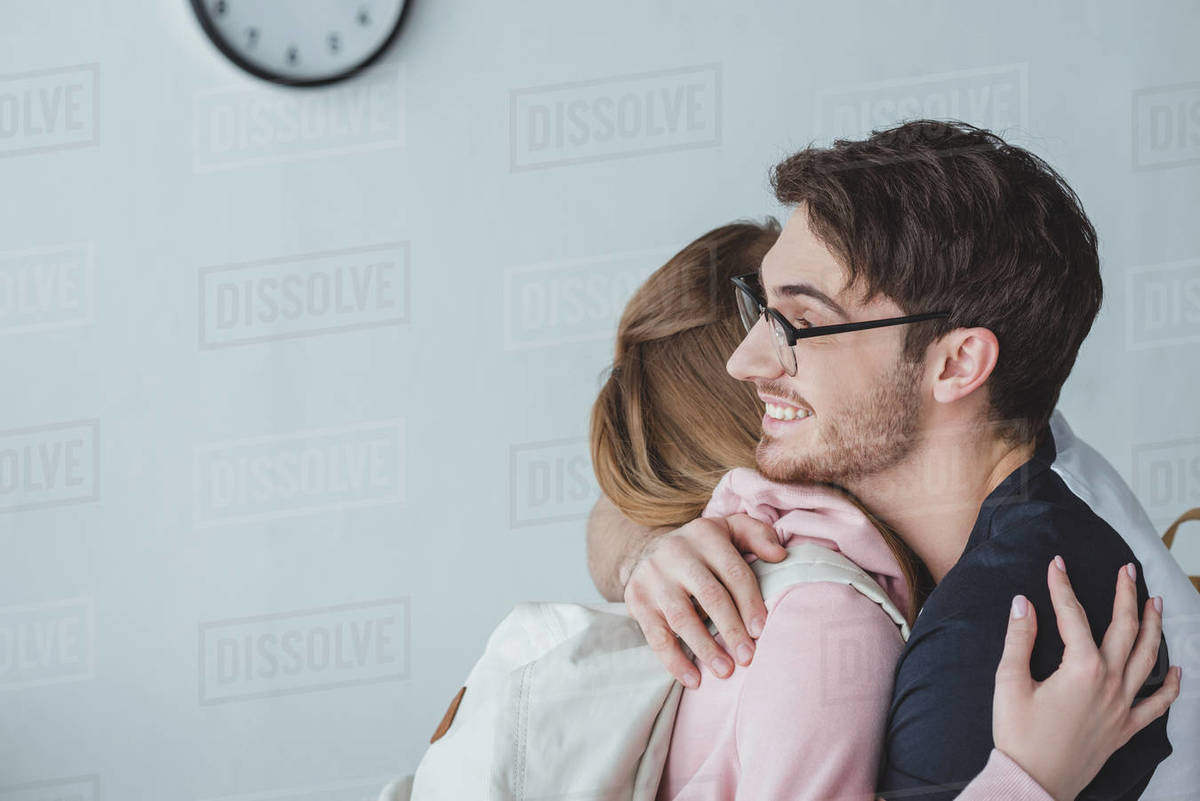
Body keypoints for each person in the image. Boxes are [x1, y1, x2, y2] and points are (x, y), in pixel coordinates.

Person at [586, 180, 1181, 798]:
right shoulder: (810, 551)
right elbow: (613, 513)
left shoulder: (947, 607)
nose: (750, 360)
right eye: (759, 311)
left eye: (799, 324)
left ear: (955, 366)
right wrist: (649, 554)